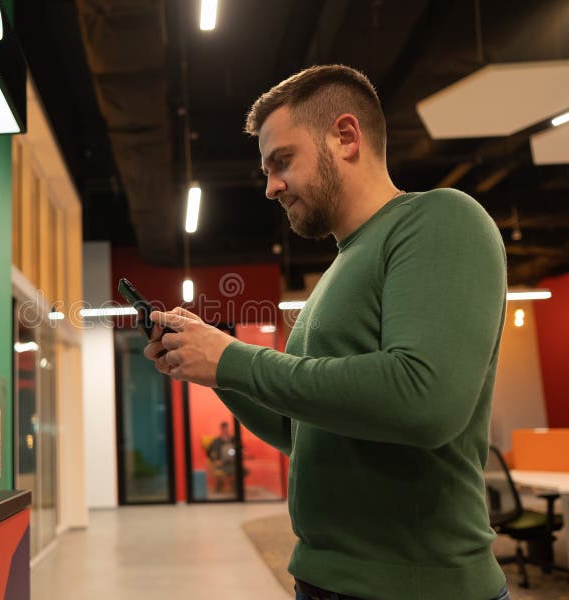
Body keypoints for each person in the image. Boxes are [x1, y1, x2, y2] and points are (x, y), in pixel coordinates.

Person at [144, 65, 510, 600]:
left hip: (419, 588)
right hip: (323, 580)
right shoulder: (337, 270)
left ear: (345, 136)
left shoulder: (439, 221)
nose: (270, 187)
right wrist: (210, 366)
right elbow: (303, 430)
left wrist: (232, 360)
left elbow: (425, 399)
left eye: (282, 162)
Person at [206, 421, 236, 492]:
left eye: (227, 429)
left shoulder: (233, 440)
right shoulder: (216, 441)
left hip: (232, 464)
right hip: (220, 464)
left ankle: (234, 487)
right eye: (224, 429)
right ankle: (220, 485)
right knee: (222, 472)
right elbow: (209, 453)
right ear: (221, 429)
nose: (226, 431)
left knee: (237, 471)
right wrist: (214, 461)